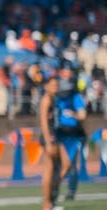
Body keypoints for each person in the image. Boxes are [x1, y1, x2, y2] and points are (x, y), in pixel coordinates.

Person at [54, 63, 87, 202]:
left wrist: (73, 114)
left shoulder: (75, 97)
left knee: (71, 165)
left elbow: (82, 115)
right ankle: (54, 191)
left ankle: (70, 191)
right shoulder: (56, 97)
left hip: (73, 135)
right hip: (59, 134)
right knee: (57, 165)